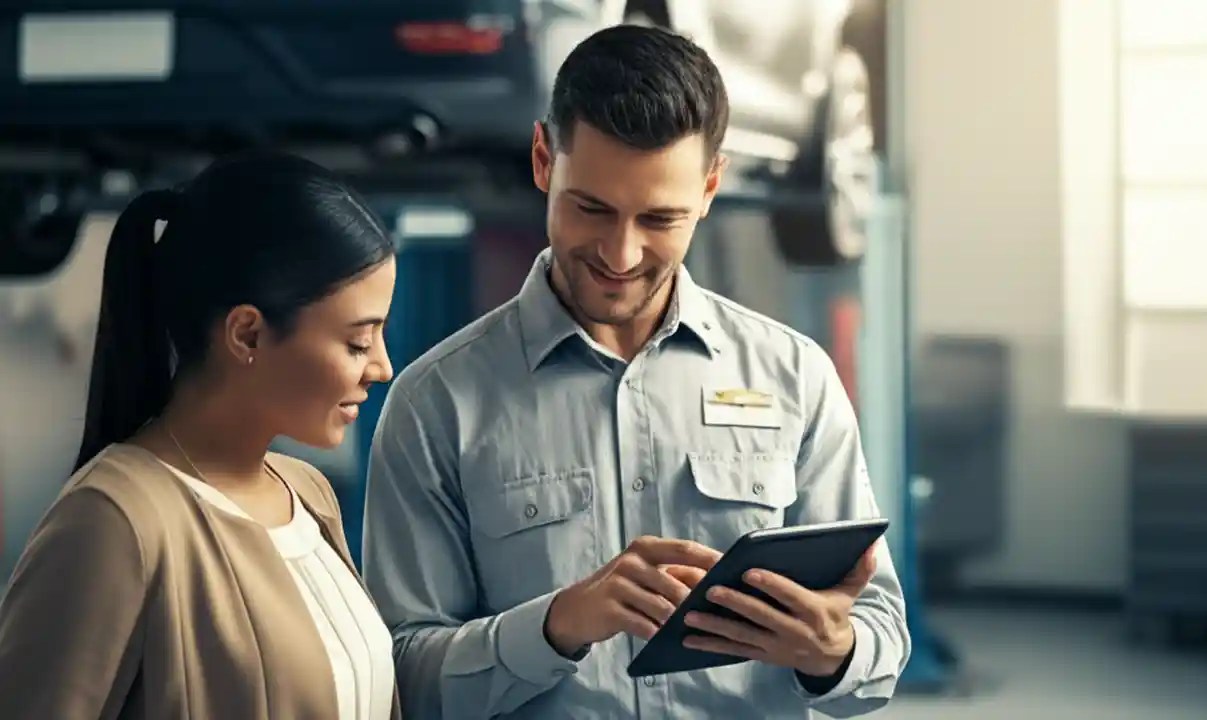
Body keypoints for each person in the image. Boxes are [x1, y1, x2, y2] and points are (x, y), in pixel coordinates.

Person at [362, 24, 910, 720]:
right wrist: (559, 623)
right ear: (542, 160)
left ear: (710, 188)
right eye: (591, 208)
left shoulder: (795, 377)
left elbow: (881, 648)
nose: (620, 254)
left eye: (659, 218)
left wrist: (834, 650)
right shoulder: (435, 403)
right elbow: (404, 679)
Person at [0, 152, 402, 720]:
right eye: (358, 343)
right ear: (247, 334)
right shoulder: (116, 519)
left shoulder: (308, 495)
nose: (382, 366)